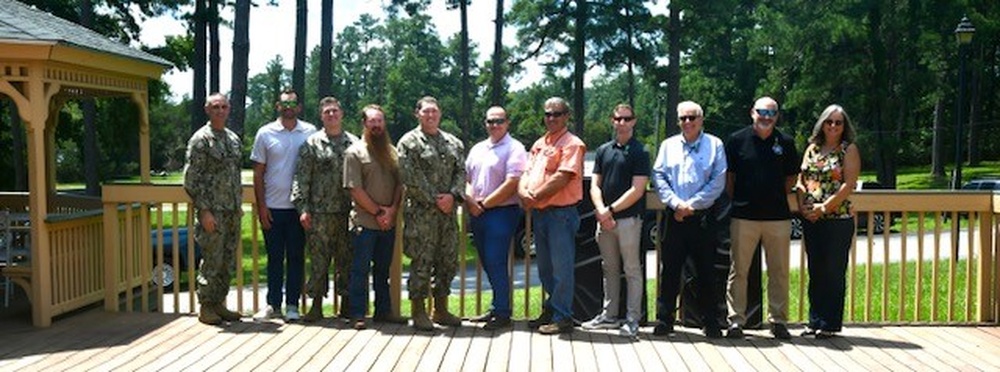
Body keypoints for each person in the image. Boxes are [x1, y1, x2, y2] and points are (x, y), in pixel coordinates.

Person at [724, 96, 800, 340]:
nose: (766, 117)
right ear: (752, 113)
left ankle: (778, 320)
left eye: (771, 113)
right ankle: (736, 321)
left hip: (778, 217)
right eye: (762, 112)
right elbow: (729, 178)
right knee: (739, 271)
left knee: (779, 271)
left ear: (777, 116)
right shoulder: (736, 140)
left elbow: (791, 178)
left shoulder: (786, 142)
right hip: (743, 216)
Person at [651, 101, 727, 338]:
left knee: (706, 271)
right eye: (683, 118)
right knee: (670, 271)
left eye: (692, 117)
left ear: (701, 119)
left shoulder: (715, 145)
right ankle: (664, 320)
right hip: (674, 217)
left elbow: (718, 181)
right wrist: (676, 204)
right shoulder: (668, 145)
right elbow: (659, 176)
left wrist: (691, 206)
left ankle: (711, 322)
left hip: (702, 218)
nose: (687, 122)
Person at [397, 96, 466, 331]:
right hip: (421, 214)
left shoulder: (454, 143)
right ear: (417, 114)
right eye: (426, 111)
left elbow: (461, 172)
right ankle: (418, 311)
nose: (430, 115)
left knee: (447, 260)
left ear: (440, 113)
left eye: (434, 111)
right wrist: (436, 200)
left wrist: (453, 196)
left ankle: (441, 309)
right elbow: (410, 177)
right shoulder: (409, 142)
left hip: (447, 215)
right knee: (422, 261)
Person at [519, 97, 586, 335]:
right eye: (547, 114)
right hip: (540, 213)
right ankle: (552, 309)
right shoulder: (539, 144)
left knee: (561, 268)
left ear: (566, 116)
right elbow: (526, 172)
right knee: (545, 269)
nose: (551, 118)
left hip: (561, 214)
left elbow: (563, 177)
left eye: (557, 114)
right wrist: (523, 192)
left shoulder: (572, 144)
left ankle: (563, 317)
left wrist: (534, 195)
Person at [582, 104, 649, 339]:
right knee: (609, 269)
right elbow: (594, 185)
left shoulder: (641, 151)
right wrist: (601, 211)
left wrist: (609, 210)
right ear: (612, 120)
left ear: (634, 121)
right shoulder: (603, 150)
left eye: (627, 119)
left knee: (632, 269)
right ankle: (609, 316)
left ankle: (632, 319)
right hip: (605, 221)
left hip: (629, 220)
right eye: (618, 118)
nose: (622, 123)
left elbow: (637, 190)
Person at [251, 89, 317, 322]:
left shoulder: (309, 132)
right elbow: (258, 174)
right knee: (274, 258)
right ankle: (273, 304)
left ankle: (292, 305)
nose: (288, 108)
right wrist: (261, 207)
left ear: (299, 107)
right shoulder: (265, 133)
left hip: (299, 209)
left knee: (296, 257)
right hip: (273, 207)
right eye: (284, 103)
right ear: (278, 106)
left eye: (292, 104)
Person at [291, 97, 359, 322]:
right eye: (327, 112)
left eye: (335, 111)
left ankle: (347, 305)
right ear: (321, 116)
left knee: (347, 260)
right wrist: (303, 208)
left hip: (348, 212)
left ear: (342, 114)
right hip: (319, 213)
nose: (331, 115)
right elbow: (301, 178)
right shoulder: (312, 144)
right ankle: (316, 305)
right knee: (319, 261)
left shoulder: (355, 143)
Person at [797, 104, 860, 339]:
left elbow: (848, 185)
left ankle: (830, 323)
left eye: (838, 122)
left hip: (838, 219)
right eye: (829, 121)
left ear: (845, 126)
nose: (833, 126)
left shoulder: (848, 149)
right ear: (822, 124)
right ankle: (814, 321)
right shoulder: (812, 148)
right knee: (816, 270)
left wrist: (824, 207)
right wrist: (803, 205)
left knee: (833, 272)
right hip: (812, 218)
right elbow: (802, 179)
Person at [344, 104, 407, 330]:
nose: (377, 125)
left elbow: (400, 184)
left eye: (380, 121)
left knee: (383, 270)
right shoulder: (354, 152)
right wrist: (378, 212)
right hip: (364, 223)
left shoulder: (392, 152)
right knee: (360, 270)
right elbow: (355, 189)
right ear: (364, 123)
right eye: (372, 121)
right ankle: (357, 313)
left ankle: (383, 311)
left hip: (387, 223)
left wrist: (392, 210)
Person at [464, 106, 528, 331]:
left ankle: (502, 313)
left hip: (502, 212)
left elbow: (512, 183)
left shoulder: (515, 148)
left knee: (495, 260)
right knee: (487, 261)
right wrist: (471, 201)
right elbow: (468, 179)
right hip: (478, 211)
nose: (495, 125)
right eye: (490, 121)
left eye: (499, 121)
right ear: (485, 123)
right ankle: (496, 306)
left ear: (507, 123)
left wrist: (484, 204)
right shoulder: (478, 148)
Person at [183, 93, 244, 325]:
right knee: (212, 259)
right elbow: (192, 179)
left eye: (224, 107)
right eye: (215, 107)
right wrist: (204, 210)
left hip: (231, 210)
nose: (220, 111)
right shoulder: (201, 140)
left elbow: (235, 175)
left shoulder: (233, 139)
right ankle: (206, 306)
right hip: (212, 211)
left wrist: (237, 206)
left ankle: (219, 303)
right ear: (207, 110)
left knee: (227, 260)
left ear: (229, 110)